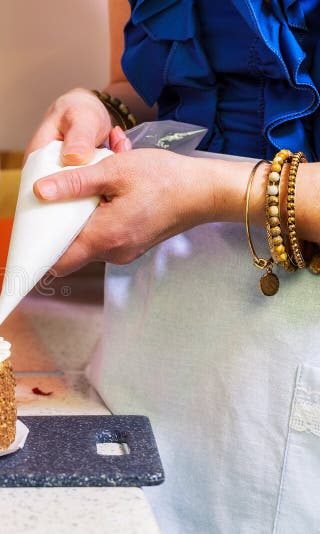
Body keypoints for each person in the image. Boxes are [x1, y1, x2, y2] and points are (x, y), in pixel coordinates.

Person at [27, 1, 320, 532]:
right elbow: (152, 80)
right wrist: (101, 108)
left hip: (296, 355)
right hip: (149, 331)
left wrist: (214, 190)